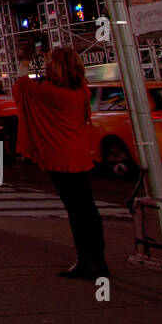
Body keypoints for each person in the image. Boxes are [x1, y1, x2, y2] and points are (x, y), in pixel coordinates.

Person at [14, 41, 107, 280]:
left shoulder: (49, 92)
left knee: (75, 210)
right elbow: (58, 76)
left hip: (59, 155)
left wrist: (25, 60)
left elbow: (22, 85)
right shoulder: (82, 90)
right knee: (88, 207)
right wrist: (47, 56)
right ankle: (99, 259)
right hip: (80, 155)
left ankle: (85, 260)